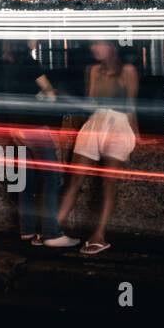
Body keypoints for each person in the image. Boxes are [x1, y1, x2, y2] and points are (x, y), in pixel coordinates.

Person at [56, 41, 140, 255]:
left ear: (111, 46)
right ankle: (53, 229)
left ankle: (99, 235)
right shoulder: (92, 70)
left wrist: (137, 135)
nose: (93, 47)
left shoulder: (127, 71)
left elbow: (131, 106)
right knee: (74, 180)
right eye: (92, 43)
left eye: (98, 43)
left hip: (118, 126)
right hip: (95, 123)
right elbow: (92, 102)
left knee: (107, 183)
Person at [0, 40, 76, 248]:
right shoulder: (30, 64)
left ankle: (27, 229)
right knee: (52, 178)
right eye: (32, 36)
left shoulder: (7, 65)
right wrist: (47, 96)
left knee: (27, 181)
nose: (36, 40)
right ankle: (51, 233)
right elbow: (49, 94)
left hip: (16, 128)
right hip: (34, 128)